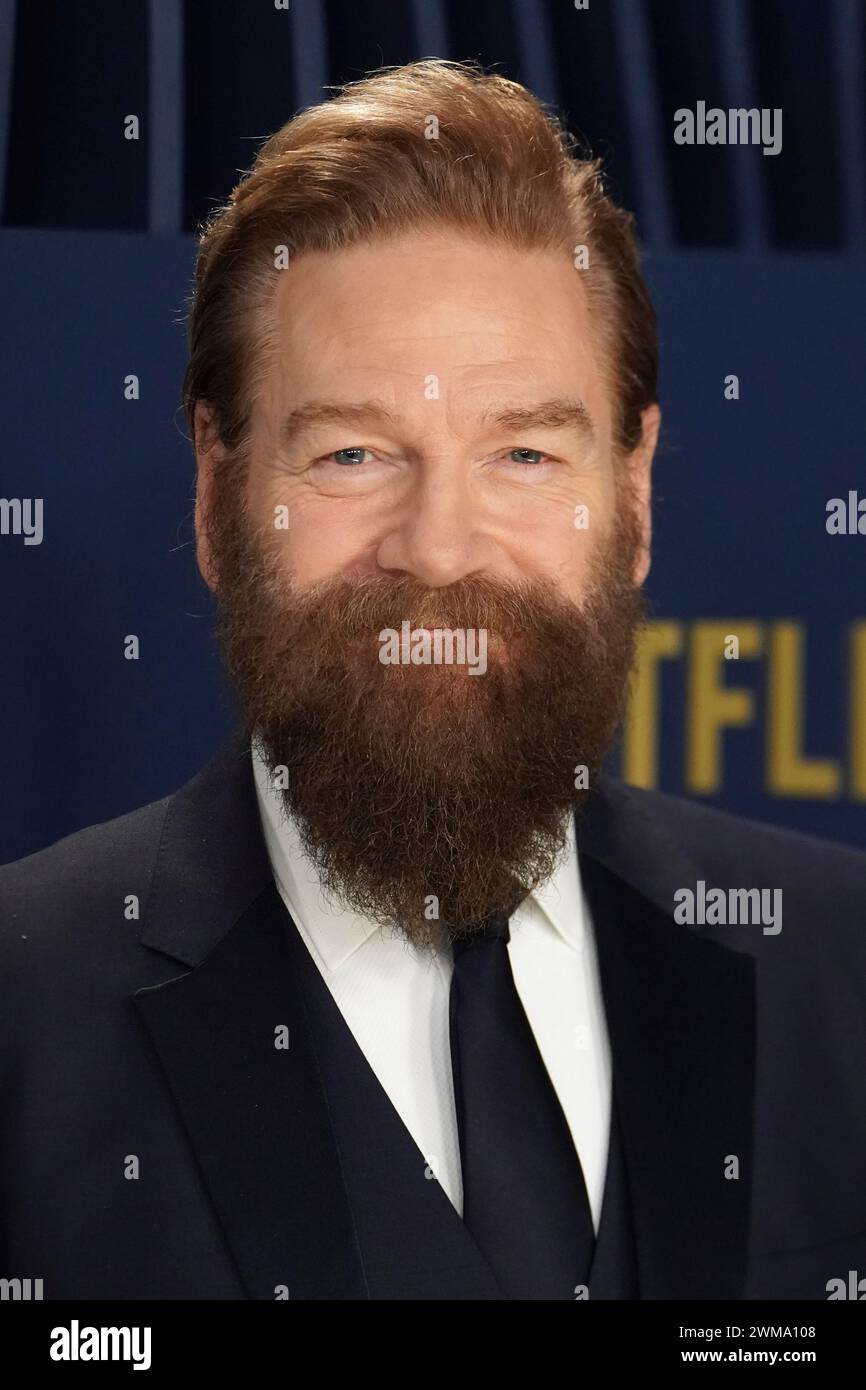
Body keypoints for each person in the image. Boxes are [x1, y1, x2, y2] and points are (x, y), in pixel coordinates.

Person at [2, 60, 865, 1302]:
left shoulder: (838, 971)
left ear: (630, 496)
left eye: (521, 451)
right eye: (351, 453)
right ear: (215, 492)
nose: (440, 548)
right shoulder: (22, 1017)